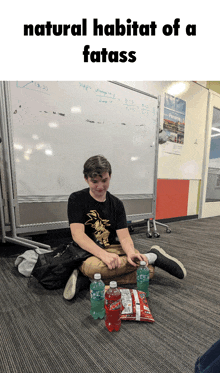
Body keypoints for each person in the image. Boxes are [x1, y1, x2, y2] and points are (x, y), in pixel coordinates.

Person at [63, 155, 187, 300]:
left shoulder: (117, 204)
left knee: (147, 271)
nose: (100, 186)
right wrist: (103, 255)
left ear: (110, 176)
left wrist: (129, 253)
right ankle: (152, 257)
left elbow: (124, 236)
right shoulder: (76, 199)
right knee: (97, 268)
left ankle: (88, 278)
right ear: (86, 179)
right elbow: (78, 236)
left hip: (112, 248)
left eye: (104, 180)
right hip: (87, 251)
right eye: (94, 181)